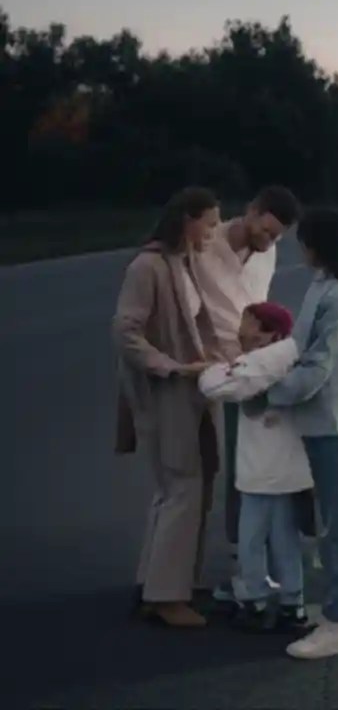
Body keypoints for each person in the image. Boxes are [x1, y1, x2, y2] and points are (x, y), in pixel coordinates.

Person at [262, 209, 338, 659]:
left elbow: (316, 367)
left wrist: (268, 392)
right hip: (330, 421)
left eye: (303, 241)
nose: (299, 249)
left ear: (318, 246)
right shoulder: (331, 288)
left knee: (335, 526)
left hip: (333, 423)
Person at [113, 186, 223, 628]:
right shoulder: (147, 267)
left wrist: (218, 362)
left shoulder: (185, 262)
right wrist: (171, 367)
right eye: (210, 223)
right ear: (187, 220)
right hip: (168, 392)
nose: (213, 233)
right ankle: (165, 597)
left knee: (188, 487)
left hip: (195, 389)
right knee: (182, 488)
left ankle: (161, 582)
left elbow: (199, 324)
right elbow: (125, 332)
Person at [191, 185, 301, 550]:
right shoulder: (205, 244)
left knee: (250, 469)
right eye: (265, 231)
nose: (269, 241)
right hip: (206, 368)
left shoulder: (267, 254)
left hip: (250, 372)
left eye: (277, 236)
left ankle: (245, 559)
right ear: (251, 210)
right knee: (198, 472)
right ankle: (182, 570)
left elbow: (261, 306)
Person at [198, 301, 312, 632]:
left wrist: (209, 369)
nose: (240, 326)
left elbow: (217, 385)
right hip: (286, 472)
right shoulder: (291, 364)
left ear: (268, 334)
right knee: (285, 540)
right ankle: (293, 602)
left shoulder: (259, 365)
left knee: (251, 540)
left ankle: (256, 599)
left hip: (260, 474)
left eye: (248, 321)